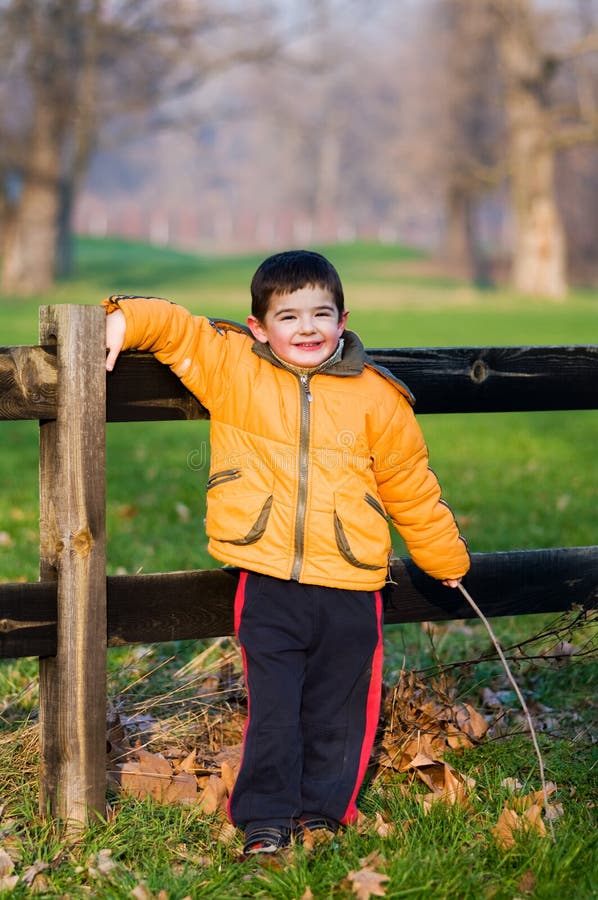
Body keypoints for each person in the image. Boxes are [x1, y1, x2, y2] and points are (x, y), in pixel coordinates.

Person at [104, 249, 470, 855]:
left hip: (352, 583)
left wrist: (445, 560)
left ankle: (323, 813)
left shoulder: (378, 397)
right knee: (273, 707)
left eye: (321, 314)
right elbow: (177, 330)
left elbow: (411, 485)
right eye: (289, 316)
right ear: (258, 327)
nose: (306, 329)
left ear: (344, 318)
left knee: (340, 707)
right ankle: (266, 819)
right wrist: (120, 319)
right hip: (269, 576)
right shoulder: (234, 369)